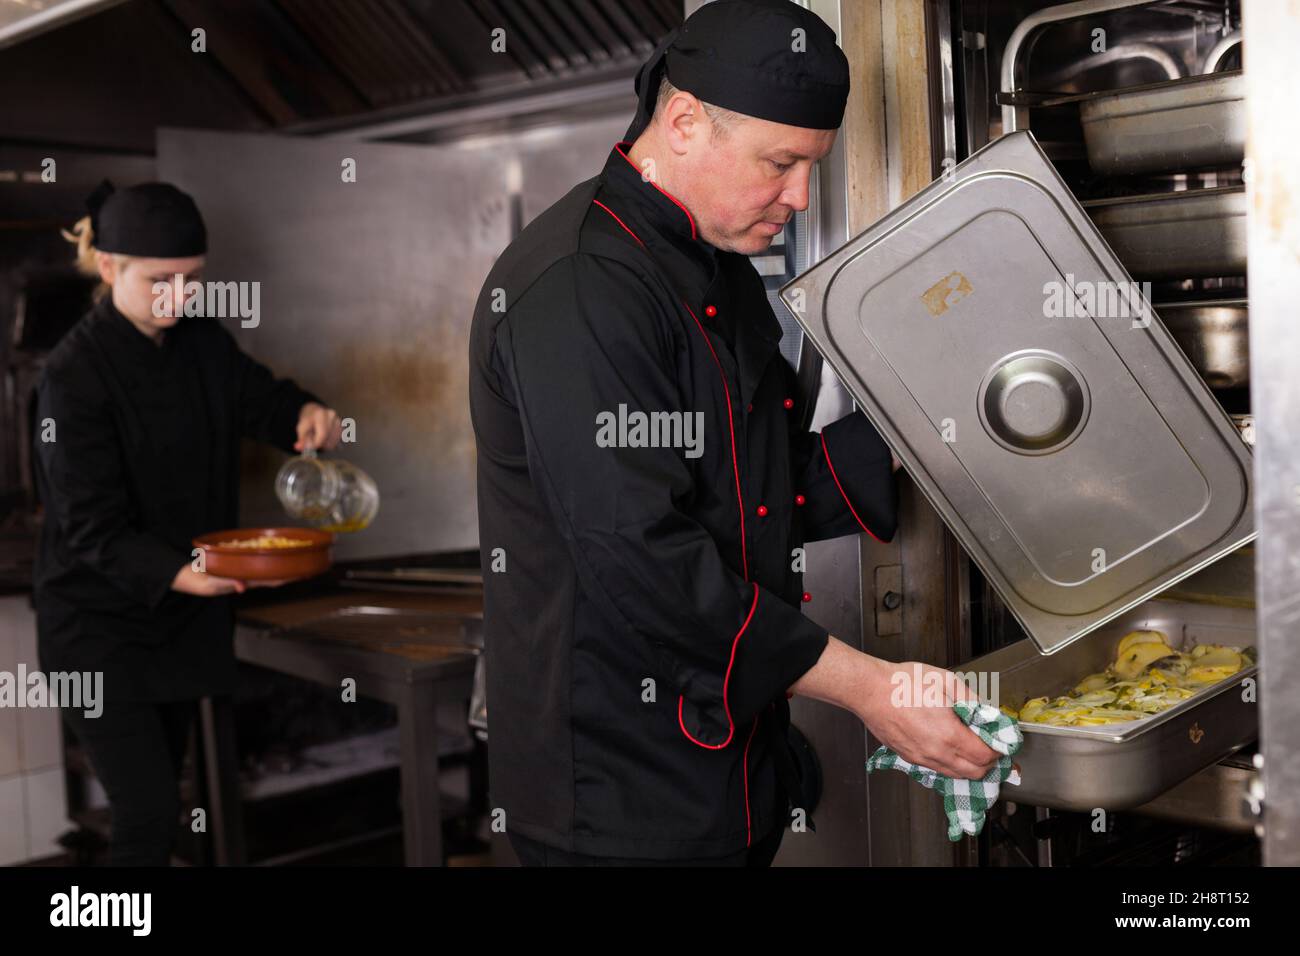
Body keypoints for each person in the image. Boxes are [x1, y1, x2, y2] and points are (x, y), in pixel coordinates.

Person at [469, 0, 999, 866]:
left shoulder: (722, 273)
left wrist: (939, 423)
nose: (797, 197)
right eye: (780, 164)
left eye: (810, 168)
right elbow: (642, 556)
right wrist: (871, 688)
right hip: (615, 795)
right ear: (683, 123)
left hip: (738, 767)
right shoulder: (576, 290)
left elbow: (769, 492)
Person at [32, 181, 343, 865]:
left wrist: (304, 413)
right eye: (161, 280)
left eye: (193, 280)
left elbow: (263, 401)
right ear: (109, 266)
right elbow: (89, 526)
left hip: (176, 622)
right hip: (98, 629)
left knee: (159, 810)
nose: (181, 296)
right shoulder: (73, 377)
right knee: (147, 816)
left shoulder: (203, 344)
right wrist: (182, 573)